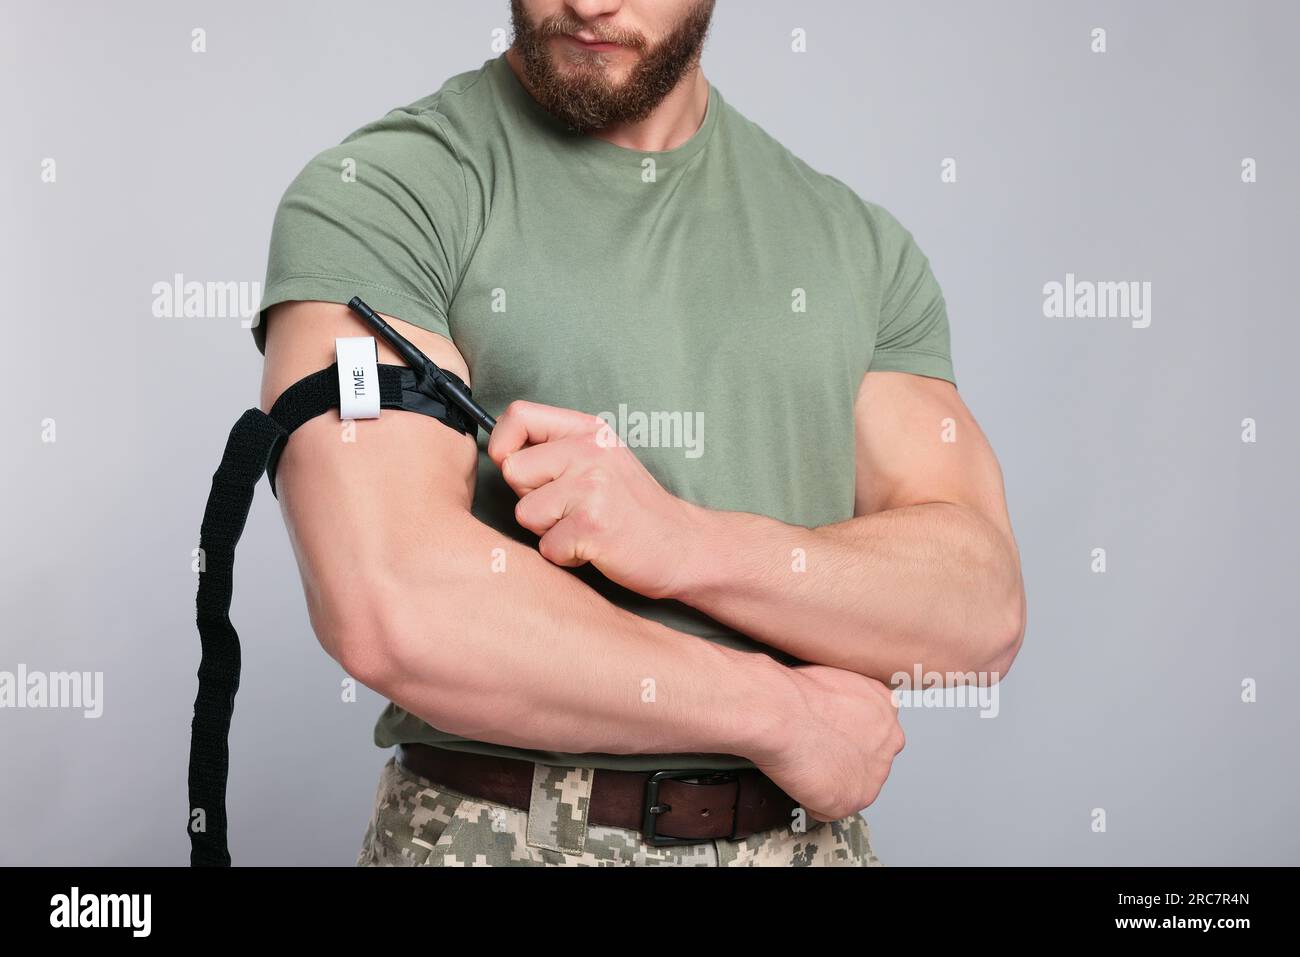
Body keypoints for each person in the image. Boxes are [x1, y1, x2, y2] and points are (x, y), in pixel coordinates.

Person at [252, 0, 1026, 867]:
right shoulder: (386, 196)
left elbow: (977, 606)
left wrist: (689, 545)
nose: (587, 2)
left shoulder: (857, 246)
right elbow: (393, 602)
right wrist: (779, 714)